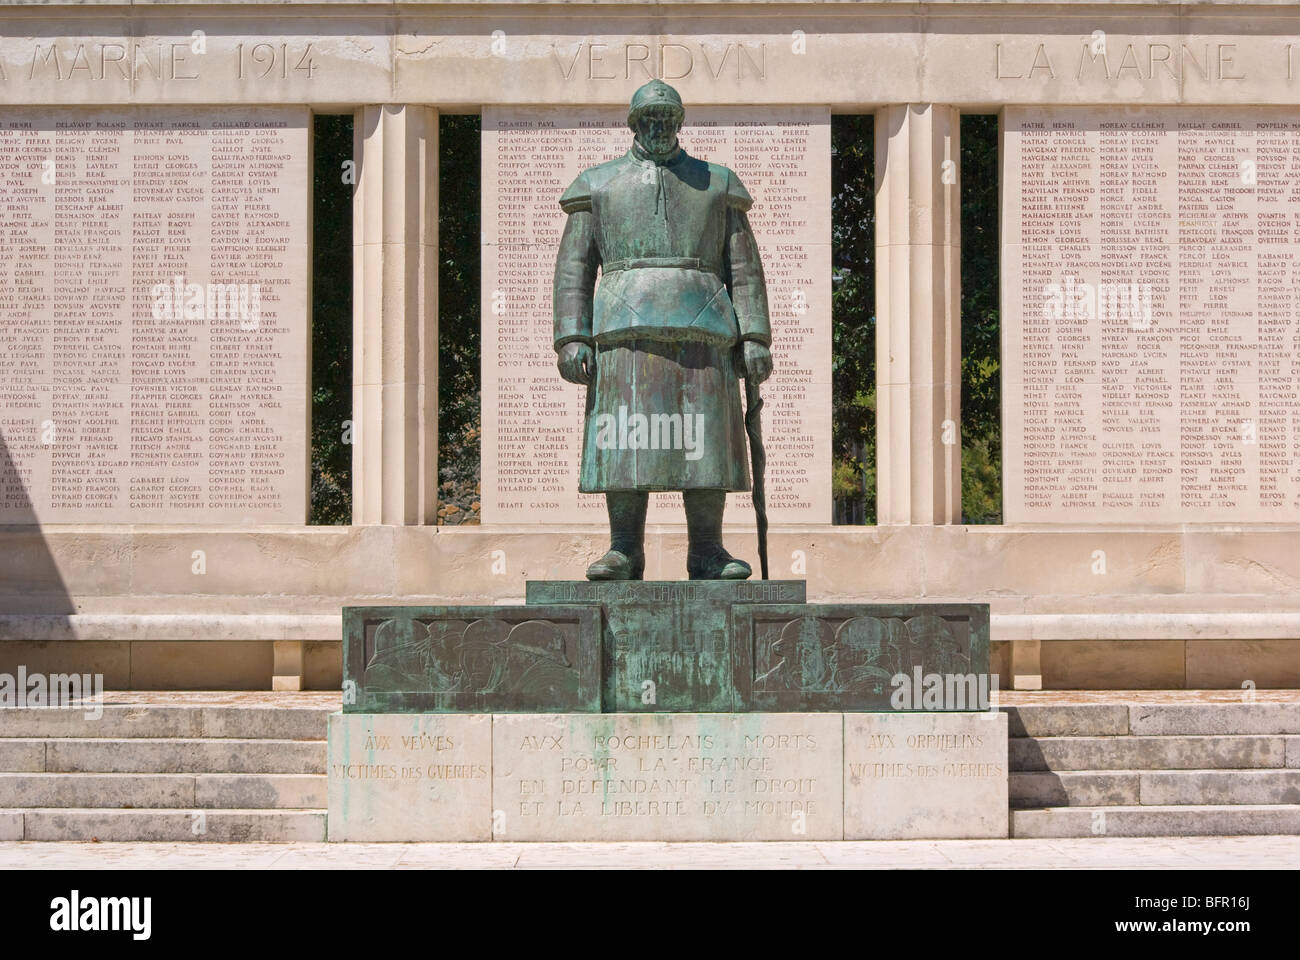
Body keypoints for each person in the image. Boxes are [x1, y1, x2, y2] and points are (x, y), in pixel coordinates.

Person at [552, 79, 773, 580]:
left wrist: (755, 334)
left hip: (706, 329)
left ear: (680, 123)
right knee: (624, 444)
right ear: (633, 124)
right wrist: (572, 336)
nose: (658, 127)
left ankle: (708, 550)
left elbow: (744, 266)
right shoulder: (598, 184)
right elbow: (574, 268)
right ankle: (625, 549)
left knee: (706, 444)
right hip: (623, 332)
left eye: (667, 118)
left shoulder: (717, 183)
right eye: (648, 119)